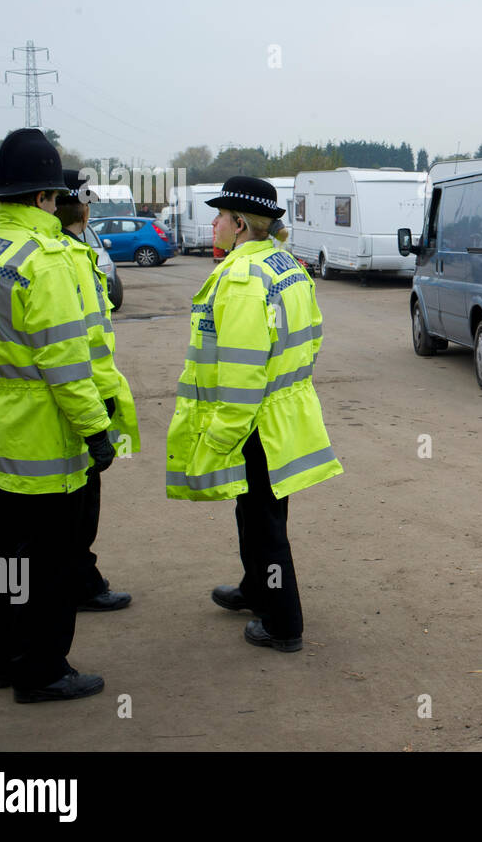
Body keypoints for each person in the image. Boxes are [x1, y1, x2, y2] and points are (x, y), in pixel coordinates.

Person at [0, 128, 113, 702]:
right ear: (45, 196)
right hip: (45, 444)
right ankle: (43, 671)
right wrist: (97, 431)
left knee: (1, 555)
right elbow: (67, 364)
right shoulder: (50, 260)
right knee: (53, 561)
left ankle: (4, 658)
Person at [165, 176, 342, 652]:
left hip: (255, 421)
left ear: (240, 224)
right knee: (258, 511)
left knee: (264, 523)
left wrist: (219, 438)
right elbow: (314, 337)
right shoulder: (284, 264)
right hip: (282, 416)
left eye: (220, 216)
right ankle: (255, 587)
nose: (213, 223)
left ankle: (283, 624)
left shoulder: (242, 280)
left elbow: (242, 375)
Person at [54, 170, 138, 612]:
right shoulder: (66, 257)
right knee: (79, 503)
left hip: (73, 394)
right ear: (84, 211)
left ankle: (79, 579)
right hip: (79, 398)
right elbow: (70, 349)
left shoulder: (71, 253)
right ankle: (78, 583)